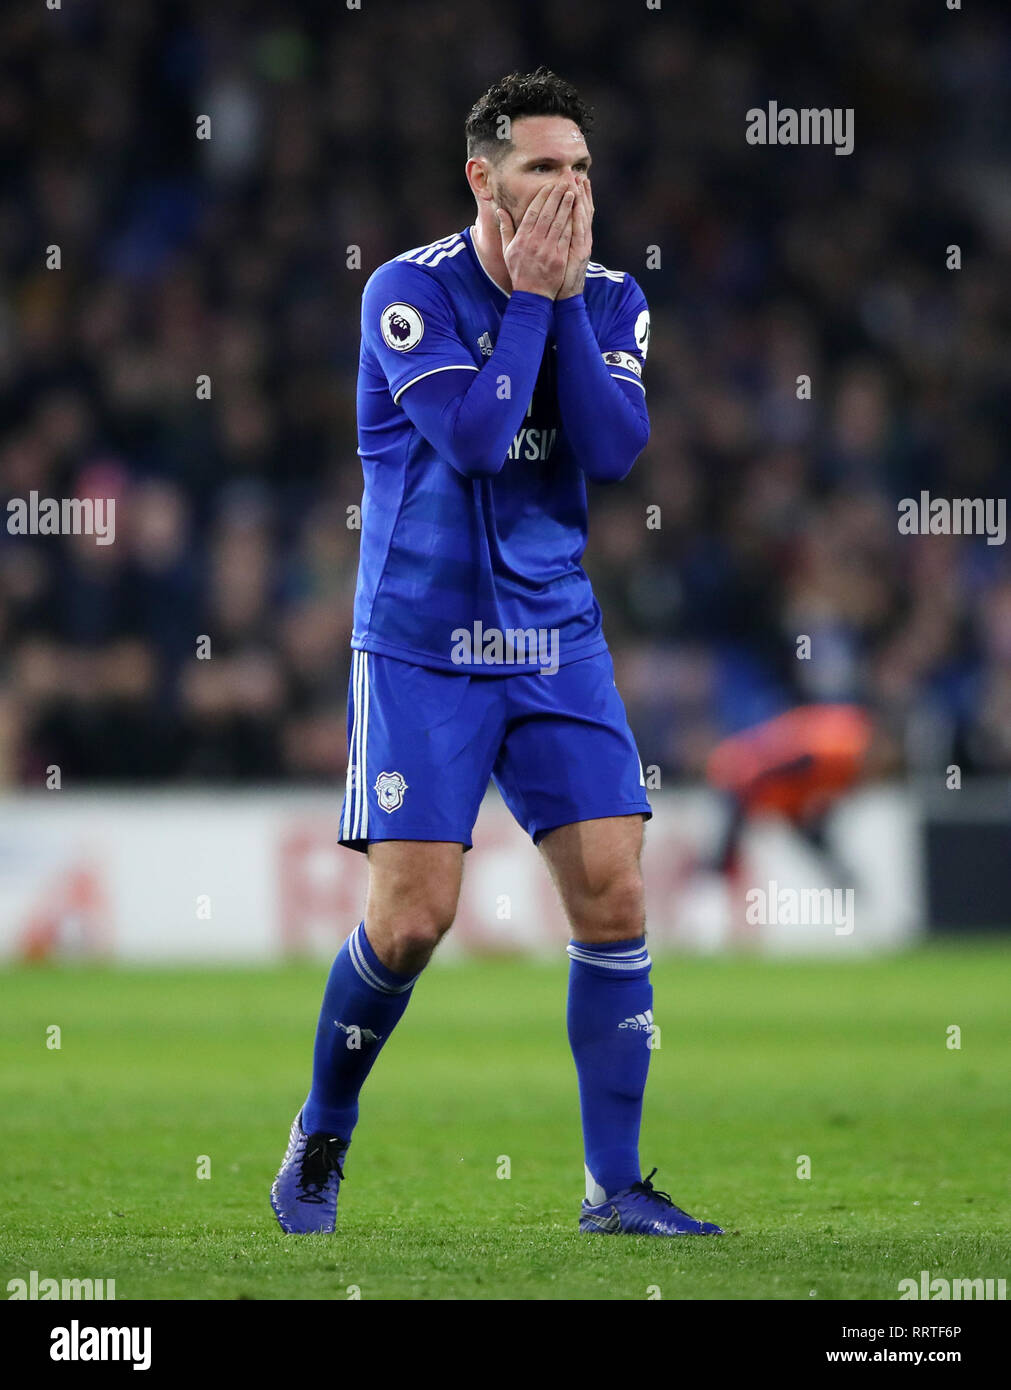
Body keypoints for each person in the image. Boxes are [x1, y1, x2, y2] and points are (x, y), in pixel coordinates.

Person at [271, 68, 723, 1238]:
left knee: (616, 894)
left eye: (580, 168)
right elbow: (475, 440)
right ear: (483, 177)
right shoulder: (405, 292)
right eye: (542, 168)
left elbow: (617, 446)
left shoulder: (614, 297)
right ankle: (321, 1132)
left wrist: (563, 301)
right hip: (422, 641)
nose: (570, 189)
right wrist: (527, 300)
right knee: (415, 918)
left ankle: (613, 1187)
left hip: (552, 633)